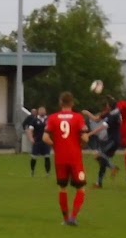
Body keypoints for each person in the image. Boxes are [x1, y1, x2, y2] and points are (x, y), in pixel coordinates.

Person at [44, 92, 91, 226]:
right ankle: (73, 217)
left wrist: (56, 145)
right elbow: (84, 137)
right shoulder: (78, 118)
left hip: (60, 158)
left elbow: (45, 138)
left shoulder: (53, 118)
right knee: (81, 188)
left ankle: (65, 220)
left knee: (62, 188)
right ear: (72, 103)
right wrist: (84, 141)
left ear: (60, 103)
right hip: (75, 158)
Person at [83, 102, 121, 188]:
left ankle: (113, 167)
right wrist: (88, 113)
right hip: (112, 140)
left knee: (99, 156)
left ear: (110, 107)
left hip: (113, 141)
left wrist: (89, 134)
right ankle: (99, 183)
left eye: (107, 105)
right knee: (102, 162)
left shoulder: (112, 116)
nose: (106, 106)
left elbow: (102, 127)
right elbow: (96, 119)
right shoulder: (114, 112)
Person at [25, 106, 51, 177]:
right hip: (37, 141)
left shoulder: (48, 120)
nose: (42, 112)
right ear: (38, 112)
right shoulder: (34, 120)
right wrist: (31, 138)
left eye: (43, 110)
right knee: (34, 157)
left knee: (47, 157)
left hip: (46, 142)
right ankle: (32, 171)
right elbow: (30, 130)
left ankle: (47, 173)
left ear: (45, 111)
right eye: (41, 110)